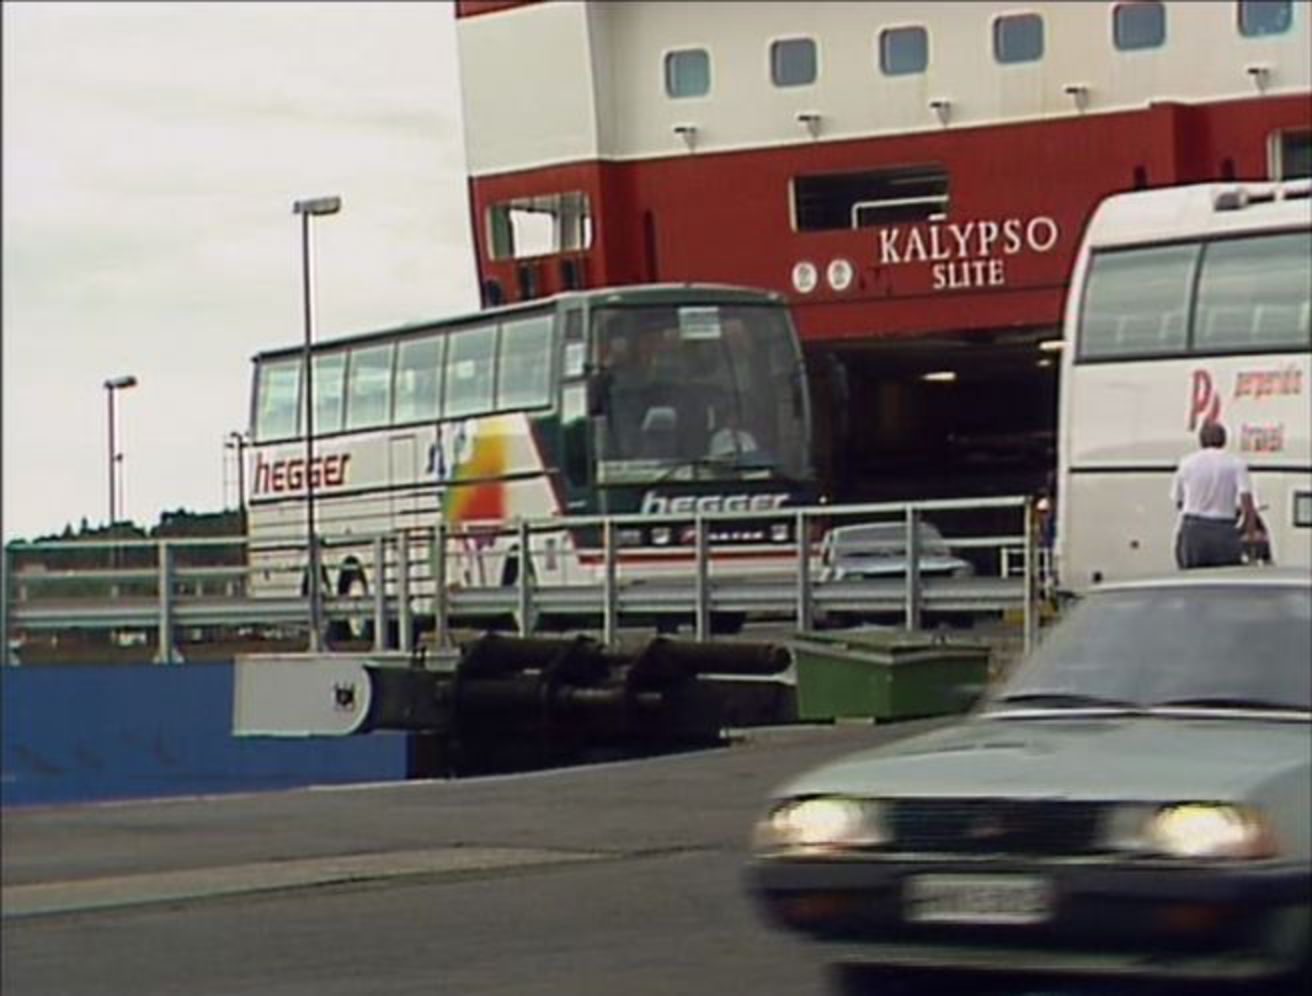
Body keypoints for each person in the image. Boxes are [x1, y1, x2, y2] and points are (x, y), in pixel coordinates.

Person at [1169, 420, 1259, 569]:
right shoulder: (1236, 463)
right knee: (1224, 579)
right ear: (1224, 440)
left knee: (1191, 578)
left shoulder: (1187, 463)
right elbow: (1247, 502)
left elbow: (1179, 502)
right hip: (1223, 529)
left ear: (1201, 440)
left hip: (1193, 529)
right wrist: (1249, 533)